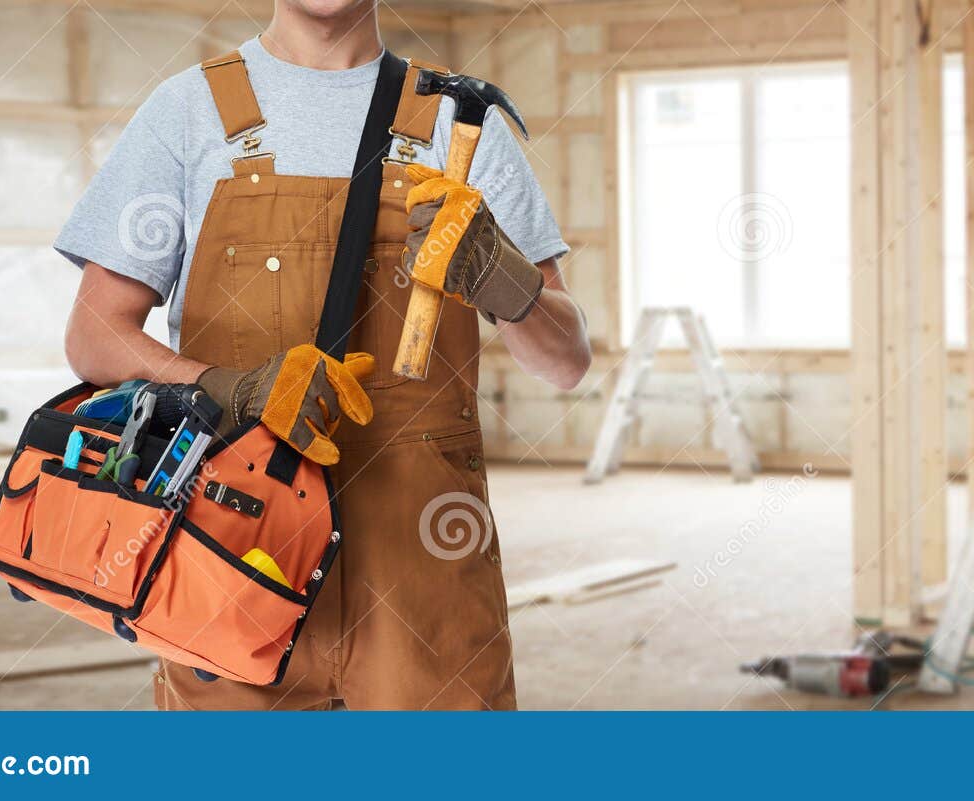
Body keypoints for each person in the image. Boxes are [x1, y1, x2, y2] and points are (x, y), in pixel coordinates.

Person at [54, 0, 590, 710]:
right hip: (232, 558)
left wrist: (503, 274)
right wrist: (230, 388)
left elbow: (567, 360)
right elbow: (94, 336)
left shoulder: (461, 126)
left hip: (424, 570)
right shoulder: (188, 112)